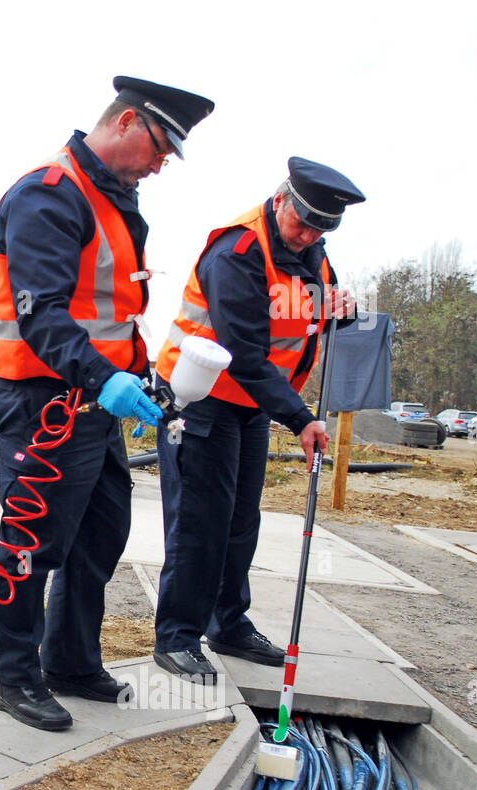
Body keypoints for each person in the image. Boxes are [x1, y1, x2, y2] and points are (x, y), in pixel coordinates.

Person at [0, 77, 214, 731]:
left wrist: (140, 377)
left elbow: (111, 314)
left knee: (101, 531)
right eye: (161, 147)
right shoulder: (49, 195)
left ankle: (70, 661)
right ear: (128, 123)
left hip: (92, 398)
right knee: (35, 538)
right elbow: (42, 316)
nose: (162, 163)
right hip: (40, 396)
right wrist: (104, 380)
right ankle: (13, 676)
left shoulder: (113, 201)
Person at [152, 158, 365, 682]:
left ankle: (229, 624)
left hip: (251, 405)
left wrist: (343, 310)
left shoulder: (312, 254)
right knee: (200, 522)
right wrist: (300, 418)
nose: (310, 235)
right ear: (280, 201)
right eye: (304, 222)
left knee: (241, 520)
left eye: (322, 229)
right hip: (198, 397)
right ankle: (177, 637)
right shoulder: (238, 252)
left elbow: (311, 313)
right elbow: (243, 350)